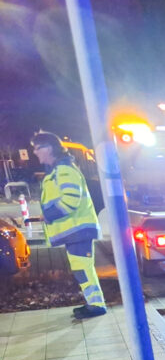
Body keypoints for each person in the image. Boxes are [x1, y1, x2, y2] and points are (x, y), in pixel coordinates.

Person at [31, 131, 106, 318]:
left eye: (37, 148)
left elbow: (70, 200)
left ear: (48, 148)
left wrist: (48, 215)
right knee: (81, 268)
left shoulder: (64, 170)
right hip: (76, 231)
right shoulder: (59, 170)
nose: (34, 152)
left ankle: (96, 305)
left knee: (83, 267)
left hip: (78, 230)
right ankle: (94, 303)